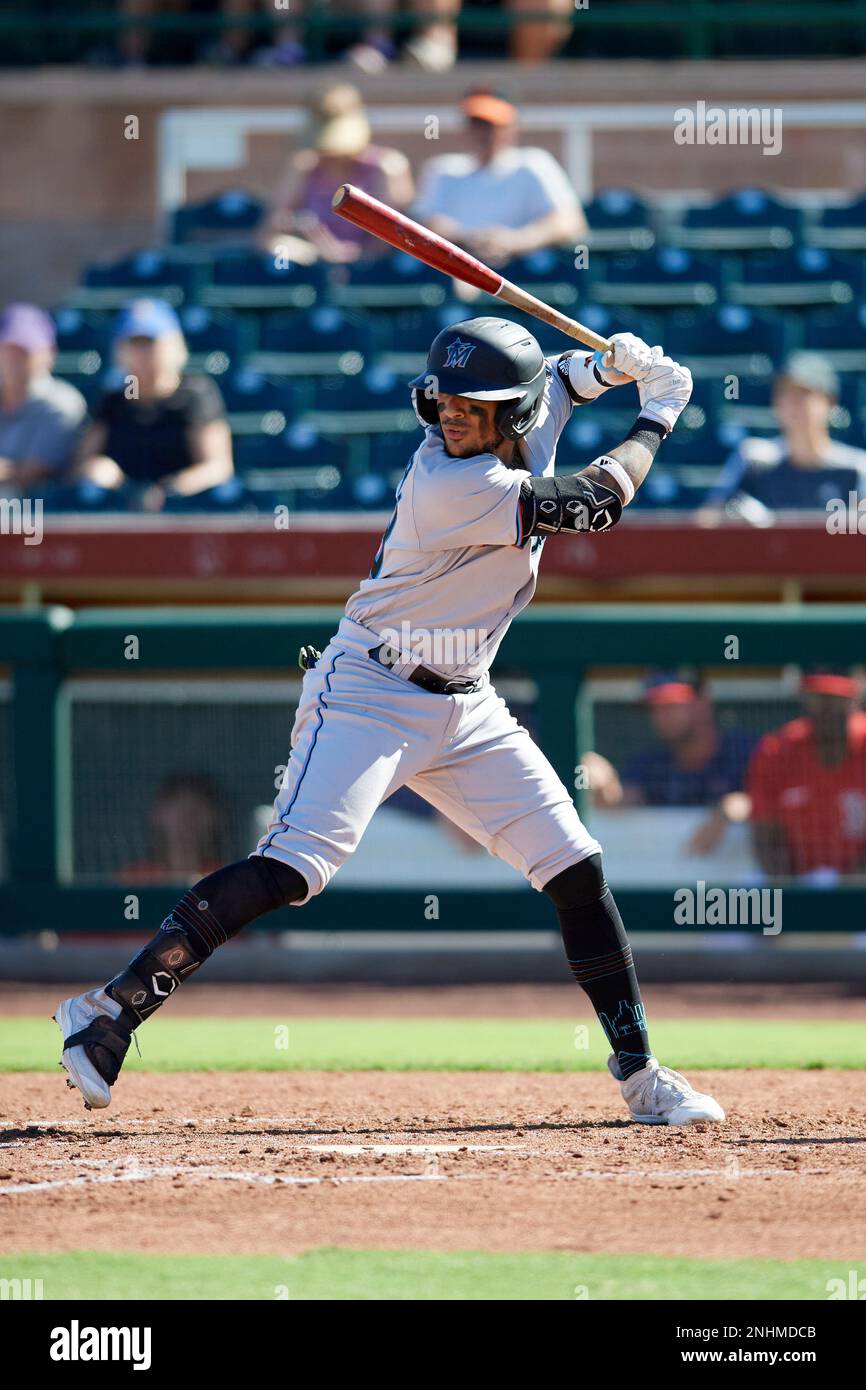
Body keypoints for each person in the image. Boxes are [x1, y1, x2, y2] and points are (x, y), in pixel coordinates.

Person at [54, 320, 725, 1128]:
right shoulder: (454, 481)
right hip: (370, 689)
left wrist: (605, 366)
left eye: (471, 406)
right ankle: (108, 1012)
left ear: (512, 414)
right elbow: (595, 504)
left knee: (576, 869)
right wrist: (657, 413)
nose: (450, 415)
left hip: (466, 701)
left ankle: (642, 1074)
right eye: (444, 400)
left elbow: (554, 382)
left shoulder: (517, 418)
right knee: (293, 868)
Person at [76, 299, 233, 510]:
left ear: (174, 346)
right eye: (134, 344)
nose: (143, 354)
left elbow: (218, 467)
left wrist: (169, 491)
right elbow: (81, 465)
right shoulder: (114, 401)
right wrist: (109, 476)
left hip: (185, 513)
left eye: (150, 344)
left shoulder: (195, 394)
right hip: (122, 515)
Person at [584, 674, 755, 854]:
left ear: (703, 702)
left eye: (672, 704)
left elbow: (773, 798)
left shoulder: (744, 752)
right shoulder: (650, 762)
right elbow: (622, 799)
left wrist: (735, 807)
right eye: (655, 707)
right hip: (668, 875)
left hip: (739, 877)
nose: (662, 715)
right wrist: (604, 784)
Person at [414, 90, 586, 267]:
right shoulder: (442, 169)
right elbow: (426, 223)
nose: (484, 133)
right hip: (456, 270)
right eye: (477, 125)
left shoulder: (534, 163)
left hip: (522, 269)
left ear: (512, 128)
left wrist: (515, 241)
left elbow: (569, 222)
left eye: (492, 126)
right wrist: (470, 242)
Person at [702, 353, 866, 521]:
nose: (792, 402)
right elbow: (708, 522)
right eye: (784, 393)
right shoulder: (753, 459)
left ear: (830, 402)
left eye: (803, 392)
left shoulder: (856, 469)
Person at [261, 84, 413, 264]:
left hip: (375, 272)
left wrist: (354, 256)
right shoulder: (303, 166)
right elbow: (268, 235)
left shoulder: (386, 166)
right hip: (317, 271)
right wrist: (312, 250)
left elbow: (397, 238)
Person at [748, 672, 866, 880]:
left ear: (854, 699)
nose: (827, 708)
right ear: (804, 698)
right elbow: (767, 837)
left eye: (836, 699)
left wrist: (846, 890)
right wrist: (795, 894)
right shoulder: (777, 751)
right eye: (818, 697)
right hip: (800, 882)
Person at [0, 304, 86, 495]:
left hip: (40, 511)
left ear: (49, 353)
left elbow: (33, 472)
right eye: (8, 349)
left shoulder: (62, 404)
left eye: (24, 351)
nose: (14, 359)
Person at [119, 774, 228, 884]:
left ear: (215, 819)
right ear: (157, 815)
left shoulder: (227, 878)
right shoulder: (134, 879)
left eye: (198, 808)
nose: (187, 819)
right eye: (177, 807)